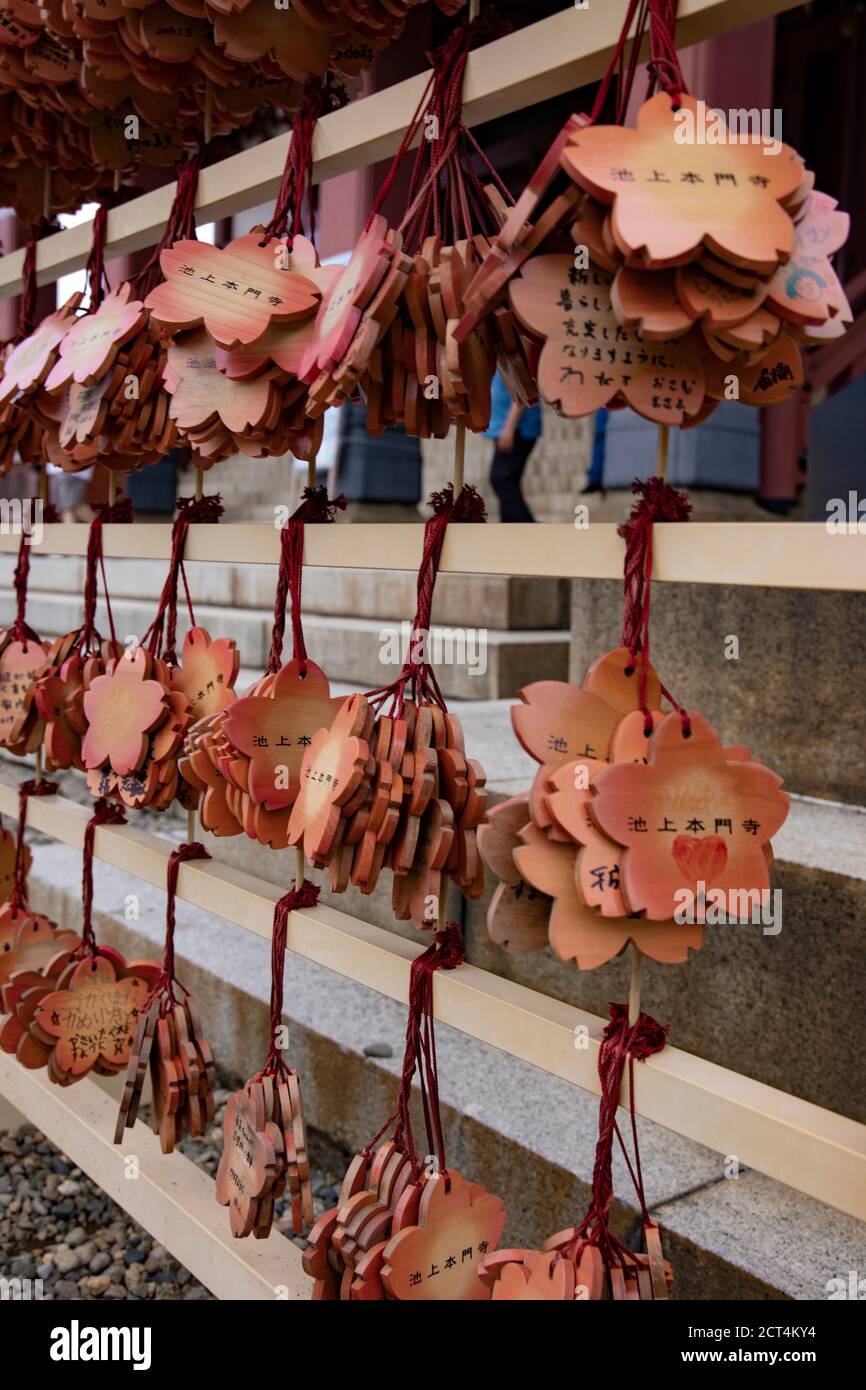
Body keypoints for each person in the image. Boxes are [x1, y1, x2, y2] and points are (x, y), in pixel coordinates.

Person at [485, 370, 541, 522]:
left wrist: (509, 428)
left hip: (517, 430)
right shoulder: (499, 359)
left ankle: (530, 528)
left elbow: (521, 394)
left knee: (500, 479)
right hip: (506, 430)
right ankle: (509, 530)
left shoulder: (513, 354)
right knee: (510, 483)